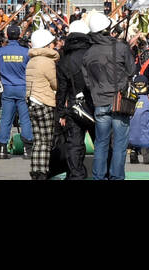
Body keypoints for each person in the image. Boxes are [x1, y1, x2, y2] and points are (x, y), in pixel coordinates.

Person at [81, 11, 136, 180]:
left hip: (100, 102)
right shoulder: (120, 47)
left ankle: (99, 177)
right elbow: (132, 71)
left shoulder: (88, 53)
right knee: (119, 144)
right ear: (107, 28)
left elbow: (87, 81)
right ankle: (117, 177)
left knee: (101, 144)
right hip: (119, 101)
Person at [55, 19, 94, 180]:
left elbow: (61, 90)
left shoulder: (64, 59)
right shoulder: (93, 54)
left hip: (73, 106)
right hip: (94, 105)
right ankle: (103, 172)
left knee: (74, 144)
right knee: (103, 142)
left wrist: (61, 113)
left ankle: (76, 174)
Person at [25, 28, 59, 181]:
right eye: (51, 43)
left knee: (38, 140)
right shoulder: (47, 61)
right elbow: (55, 83)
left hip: (32, 101)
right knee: (46, 141)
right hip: (45, 102)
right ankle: (43, 172)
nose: (53, 45)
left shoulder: (32, 60)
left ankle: (35, 170)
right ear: (46, 44)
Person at [0, 24, 32, 158]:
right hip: (22, 87)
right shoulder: (25, 52)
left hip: (8, 87)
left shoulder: (0, 52)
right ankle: (27, 149)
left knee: (5, 119)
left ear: (7, 36)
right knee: (25, 119)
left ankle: (3, 149)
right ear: (19, 35)